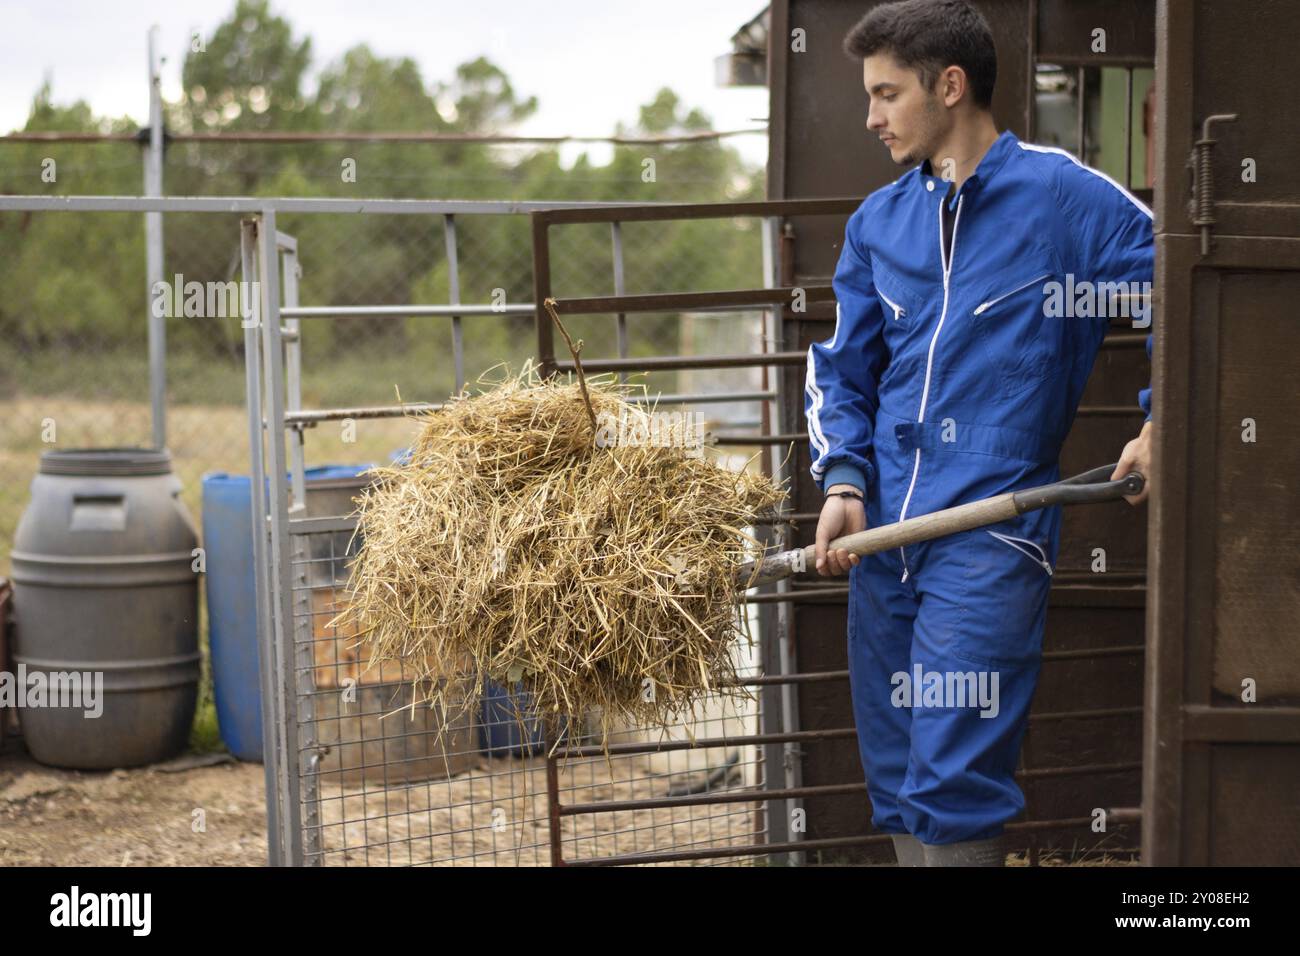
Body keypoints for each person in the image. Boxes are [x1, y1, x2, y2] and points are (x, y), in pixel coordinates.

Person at [805, 0, 1154, 866]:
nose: (871, 117)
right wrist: (845, 483)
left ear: (949, 86)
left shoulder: (1065, 200)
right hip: (885, 531)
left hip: (992, 527)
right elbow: (843, 369)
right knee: (893, 765)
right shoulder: (879, 224)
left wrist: (1164, 420)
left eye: (887, 94)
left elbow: (1182, 292)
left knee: (953, 773)